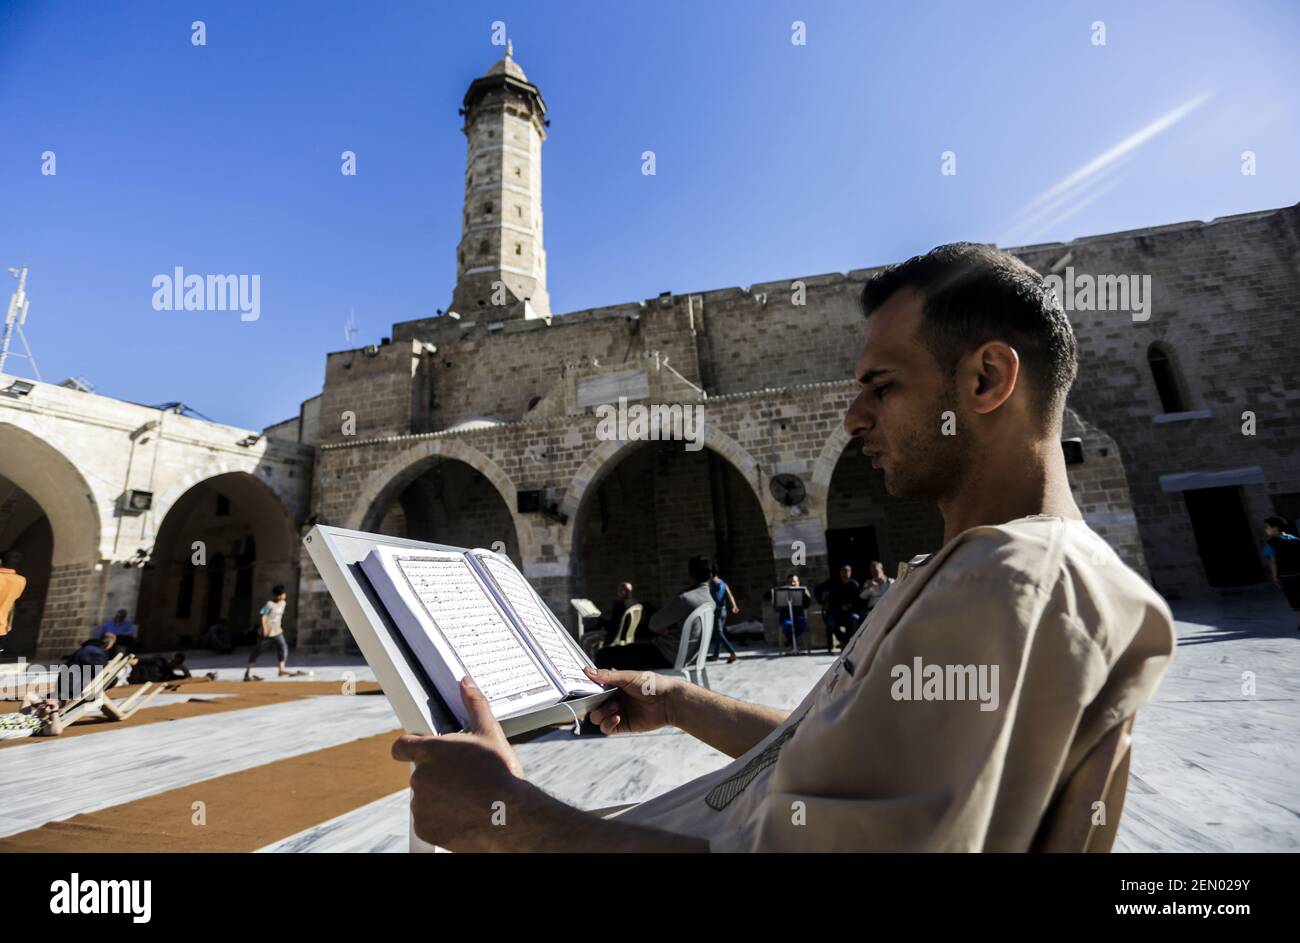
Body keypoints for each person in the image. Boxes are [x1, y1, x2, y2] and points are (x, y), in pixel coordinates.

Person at [393, 242, 1176, 852]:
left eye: (882, 386)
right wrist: (681, 702)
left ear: (985, 379)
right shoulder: (989, 568)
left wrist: (511, 823)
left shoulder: (1018, 583)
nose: (853, 417)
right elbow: (842, 759)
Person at [594, 557, 713, 671]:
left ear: (691, 577)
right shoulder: (710, 600)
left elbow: (653, 624)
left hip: (667, 654)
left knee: (603, 655)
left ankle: (609, 691)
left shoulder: (687, 599)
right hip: (688, 656)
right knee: (629, 651)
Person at [244, 585, 304, 681]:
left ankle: (281, 669)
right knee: (257, 651)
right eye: (283, 594)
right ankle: (247, 673)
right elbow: (263, 616)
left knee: (283, 647)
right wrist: (264, 629)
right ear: (278, 595)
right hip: (267, 633)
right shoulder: (269, 604)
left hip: (277, 632)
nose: (285, 595)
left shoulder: (283, 603)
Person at [1263, 516, 1300, 632]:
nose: (1265, 530)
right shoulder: (1294, 538)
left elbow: (1273, 562)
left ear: (1275, 528)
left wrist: (1274, 577)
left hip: (1286, 575)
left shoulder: (1271, 543)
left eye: (1267, 527)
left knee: (1295, 600)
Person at [817, 564, 865, 652]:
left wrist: (850, 606)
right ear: (840, 573)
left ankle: (846, 642)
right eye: (843, 571)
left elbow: (859, 601)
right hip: (835, 611)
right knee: (830, 621)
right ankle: (844, 640)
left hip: (850, 612)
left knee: (854, 618)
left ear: (850, 573)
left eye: (847, 571)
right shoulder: (833, 583)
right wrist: (822, 602)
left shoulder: (854, 585)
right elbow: (817, 589)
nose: (845, 574)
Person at [707, 566, 740, 664]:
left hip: (717, 611)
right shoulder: (723, 583)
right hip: (724, 611)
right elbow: (730, 595)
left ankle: (732, 652)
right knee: (719, 633)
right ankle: (716, 655)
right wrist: (734, 606)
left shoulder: (711, 583)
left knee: (718, 633)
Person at [772, 574, 811, 646]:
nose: (793, 583)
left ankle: (790, 641)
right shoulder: (783, 591)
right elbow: (776, 607)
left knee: (802, 625)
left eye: (794, 582)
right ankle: (792, 642)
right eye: (790, 582)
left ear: (798, 582)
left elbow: (807, 604)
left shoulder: (803, 591)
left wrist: (806, 594)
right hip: (786, 616)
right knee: (787, 626)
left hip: (799, 616)